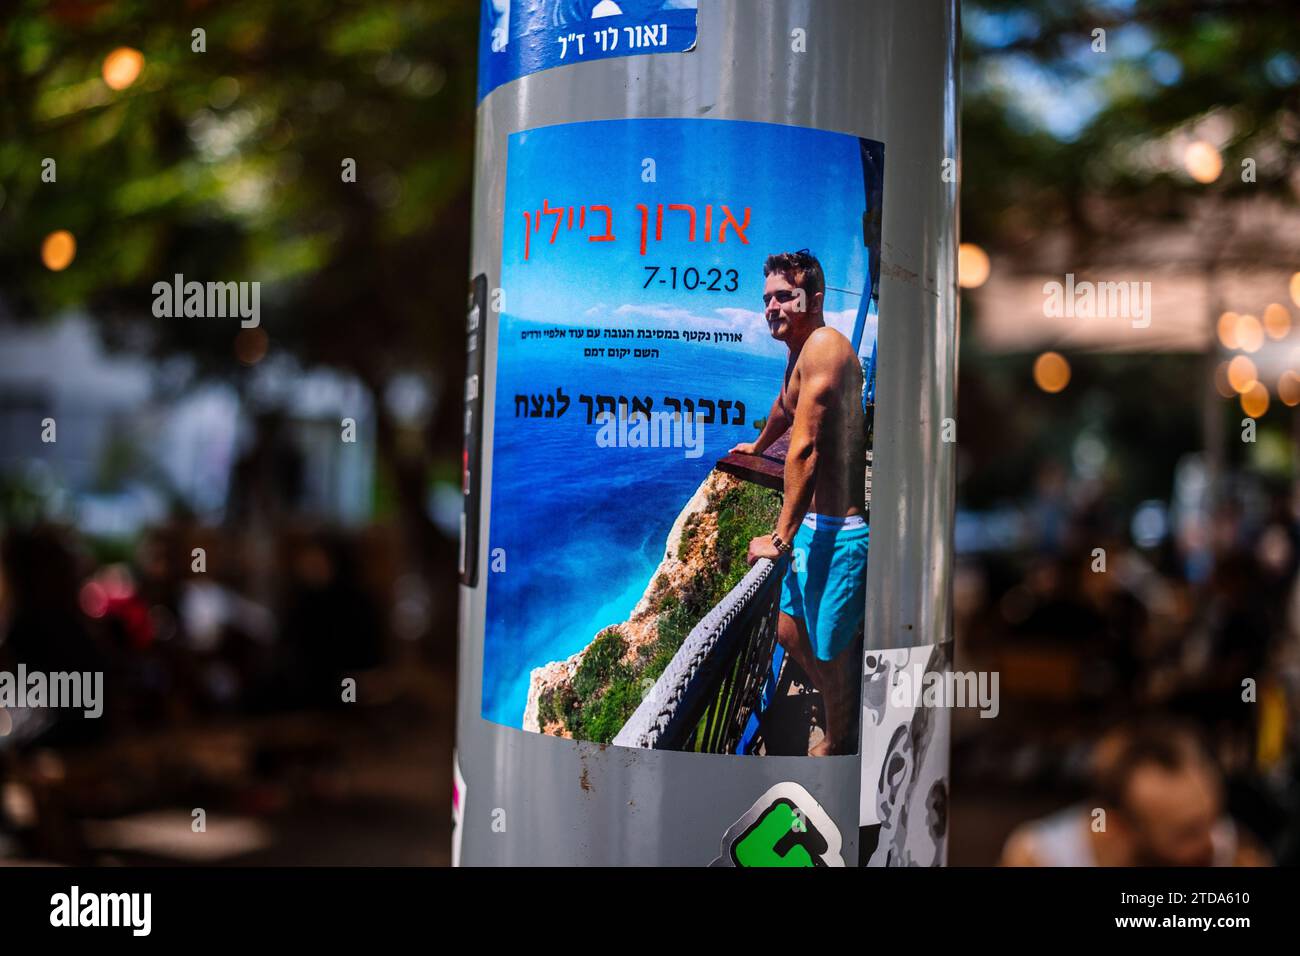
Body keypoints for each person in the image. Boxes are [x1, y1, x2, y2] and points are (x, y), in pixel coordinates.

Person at [740, 250, 867, 756]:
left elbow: (807, 446)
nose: (772, 307)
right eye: (767, 298)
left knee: (833, 653)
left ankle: (840, 739)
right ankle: (840, 696)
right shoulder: (799, 352)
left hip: (841, 535)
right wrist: (756, 444)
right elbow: (784, 408)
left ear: (814, 299)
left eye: (784, 297)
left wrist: (779, 538)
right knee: (787, 628)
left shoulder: (825, 348)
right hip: (815, 526)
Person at [1000, 719, 1270, 866]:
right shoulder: (1039, 857)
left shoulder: (1231, 851)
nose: (1213, 841)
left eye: (1212, 818)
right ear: (1118, 828)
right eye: (1187, 833)